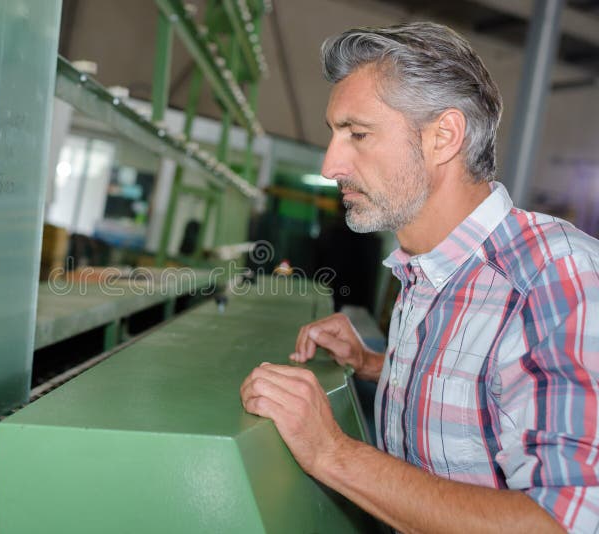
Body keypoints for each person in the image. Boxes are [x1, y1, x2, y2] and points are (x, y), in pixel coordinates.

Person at [240, 21, 599, 533]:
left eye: (358, 134)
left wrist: (332, 452)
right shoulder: (425, 267)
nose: (331, 164)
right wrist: (374, 364)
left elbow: (563, 522)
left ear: (443, 137)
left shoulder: (555, 279)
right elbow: (491, 388)